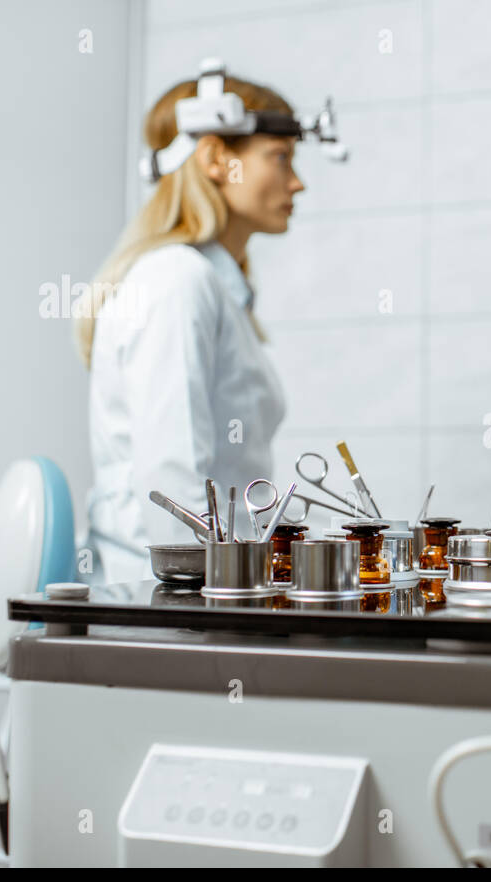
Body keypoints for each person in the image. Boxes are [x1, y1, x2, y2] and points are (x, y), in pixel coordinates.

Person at [73, 72, 305, 583]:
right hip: (174, 601)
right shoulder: (177, 281)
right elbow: (172, 479)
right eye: (281, 157)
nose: (298, 182)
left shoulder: (209, 286)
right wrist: (200, 613)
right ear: (217, 159)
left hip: (210, 590)